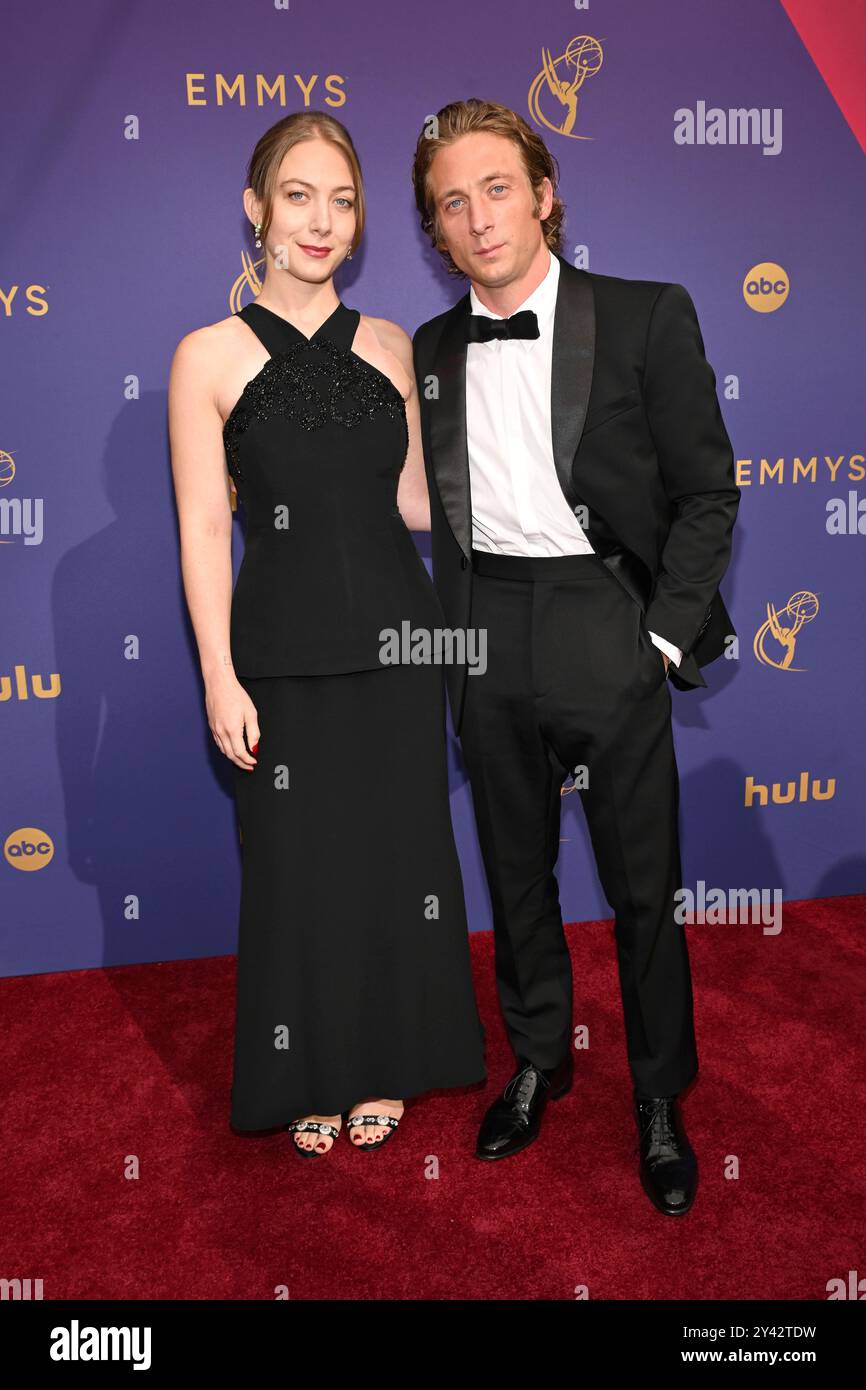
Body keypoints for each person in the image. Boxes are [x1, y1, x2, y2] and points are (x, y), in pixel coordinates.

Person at [410, 99, 740, 1214]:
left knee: (644, 886)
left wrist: (653, 636)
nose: (478, 215)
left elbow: (705, 492)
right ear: (435, 229)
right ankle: (538, 1061)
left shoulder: (644, 315)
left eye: (496, 187)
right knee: (515, 873)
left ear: (544, 192)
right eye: (452, 201)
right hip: (486, 625)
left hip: (607, 618)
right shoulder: (430, 348)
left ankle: (657, 1097)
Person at [168, 110, 485, 1158]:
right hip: (280, 651)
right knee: (298, 866)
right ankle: (309, 1067)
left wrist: (540, 489)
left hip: (400, 643)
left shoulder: (391, 345)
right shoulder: (205, 355)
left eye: (341, 200)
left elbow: (409, 504)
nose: (320, 220)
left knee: (399, 859)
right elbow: (207, 527)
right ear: (256, 210)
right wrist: (218, 673)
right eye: (297, 196)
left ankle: (386, 1061)